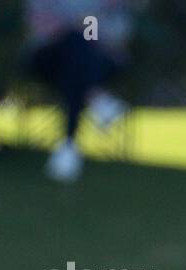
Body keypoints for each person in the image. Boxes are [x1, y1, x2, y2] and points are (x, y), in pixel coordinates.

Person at [23, 0, 136, 182]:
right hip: (50, 59)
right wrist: (81, 24)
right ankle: (95, 98)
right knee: (75, 47)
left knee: (79, 50)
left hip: (97, 59)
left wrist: (82, 26)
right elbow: (44, 27)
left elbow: (114, 34)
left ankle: (68, 144)